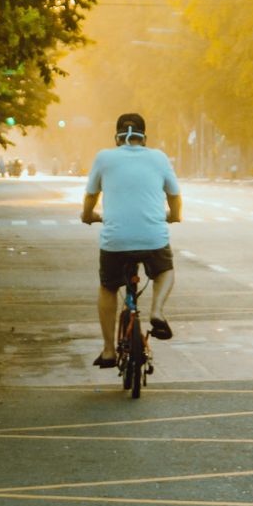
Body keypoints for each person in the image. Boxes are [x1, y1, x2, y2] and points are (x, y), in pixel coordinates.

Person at [81, 112, 182, 368]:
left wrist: (88, 216)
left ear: (117, 137)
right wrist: (174, 216)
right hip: (153, 239)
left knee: (108, 287)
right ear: (144, 137)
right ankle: (157, 311)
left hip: (115, 241)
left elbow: (91, 196)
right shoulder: (159, 157)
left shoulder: (104, 157)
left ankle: (108, 351)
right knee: (165, 271)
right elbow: (174, 195)